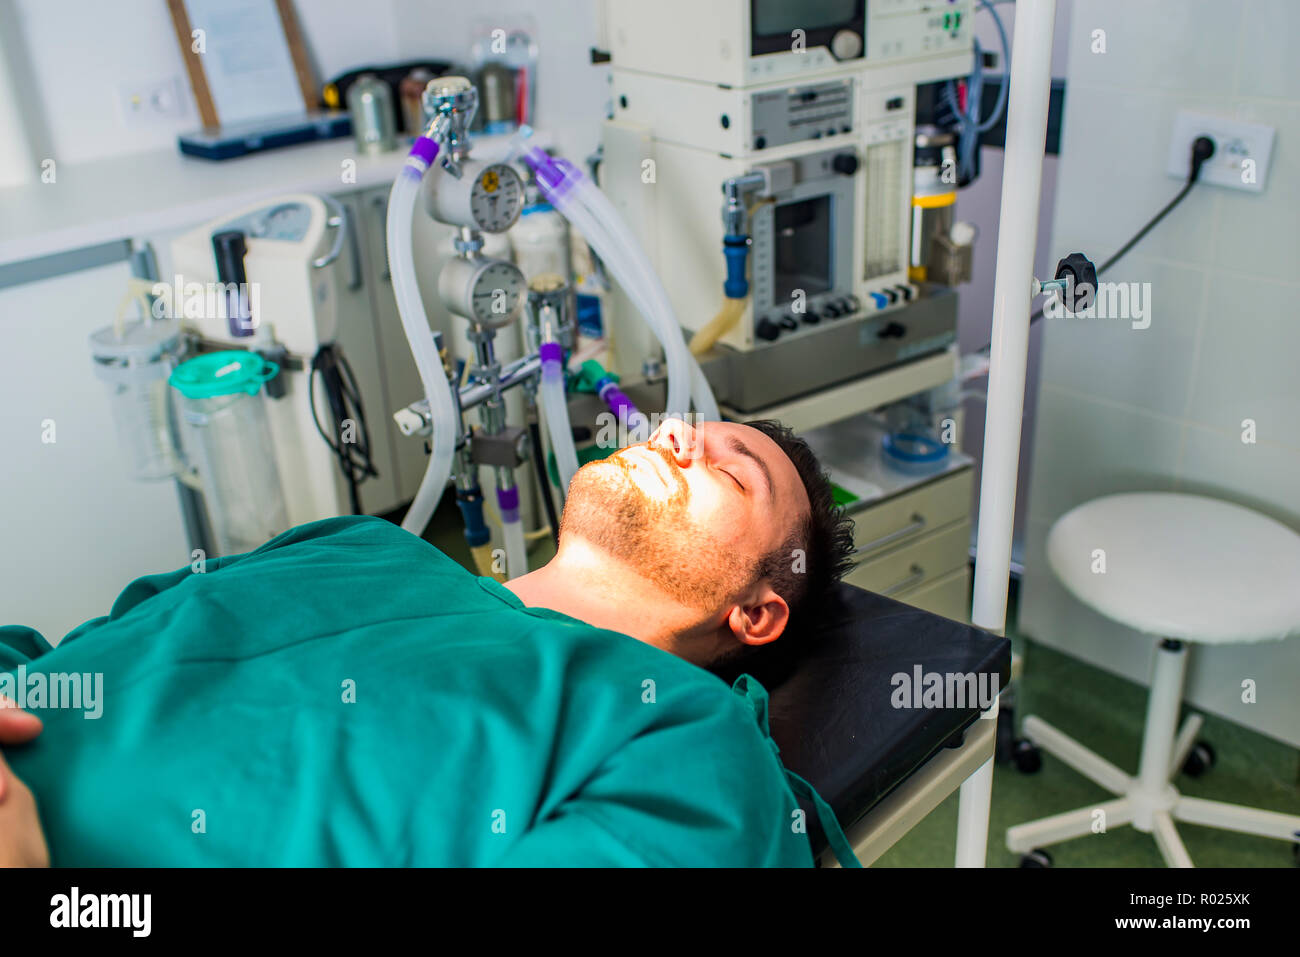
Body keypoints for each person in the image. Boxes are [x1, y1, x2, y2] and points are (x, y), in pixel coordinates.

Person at [0, 417, 855, 867]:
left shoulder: (687, 740)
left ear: (756, 612)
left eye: (731, 468)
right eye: (689, 429)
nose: (677, 435)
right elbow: (57, 650)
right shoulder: (355, 542)